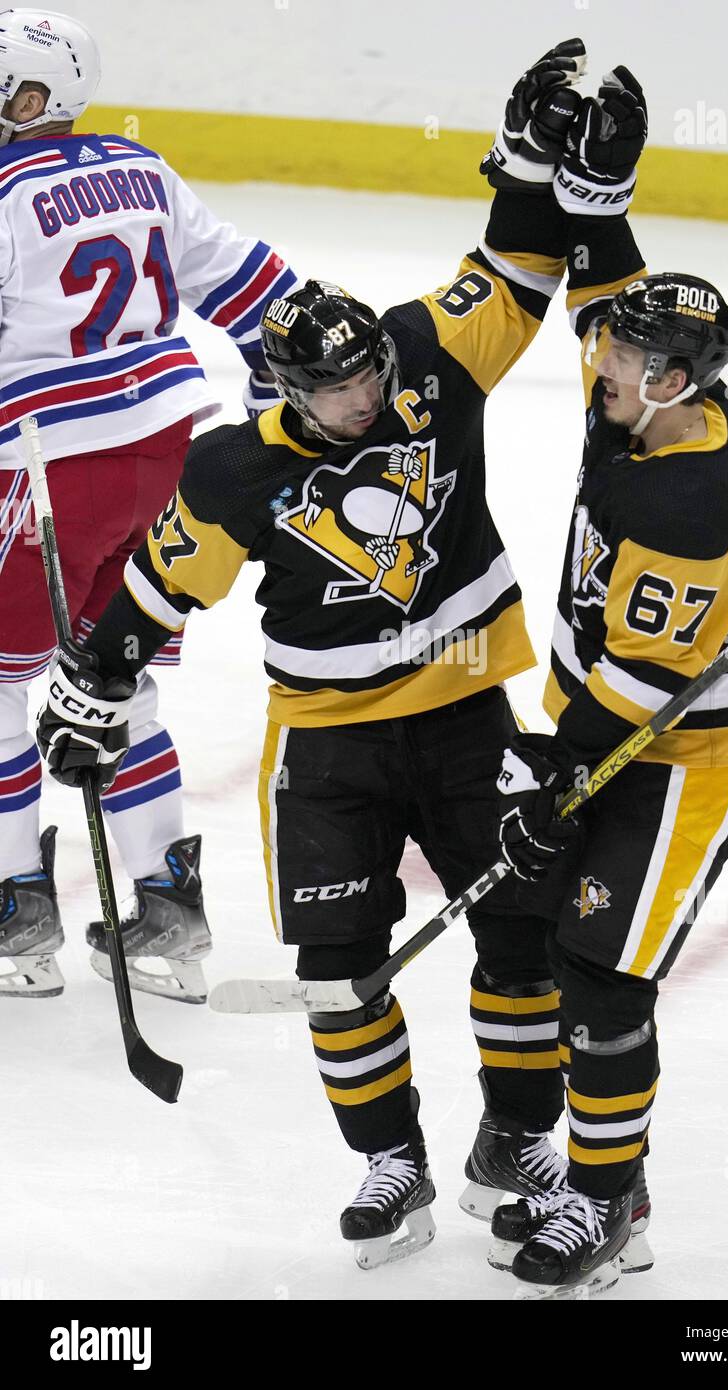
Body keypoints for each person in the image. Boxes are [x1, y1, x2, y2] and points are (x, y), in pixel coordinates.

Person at [34, 41, 621, 1269]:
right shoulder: (235, 465)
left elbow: (509, 272)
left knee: (518, 942)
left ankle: (513, 1142)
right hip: (329, 744)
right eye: (338, 394)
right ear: (285, 387)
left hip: (468, 715)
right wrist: (93, 675)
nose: (367, 402)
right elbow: (158, 579)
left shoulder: (425, 360)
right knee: (339, 972)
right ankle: (387, 1155)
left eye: (371, 379)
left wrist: (528, 168)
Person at [488, 71, 728, 1299]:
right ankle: (564, 1162)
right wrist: (582, 193)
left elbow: (636, 680)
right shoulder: (651, 414)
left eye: (623, 353)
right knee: (544, 947)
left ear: (674, 380)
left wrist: (549, 771)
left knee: (604, 980)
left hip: (683, 760)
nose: (598, 358)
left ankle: (613, 1207)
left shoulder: (691, 503)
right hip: (609, 729)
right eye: (613, 347)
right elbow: (611, 296)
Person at [0, 9, 298, 1002]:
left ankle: (13, 907)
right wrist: (270, 431)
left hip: (50, 469)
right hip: (168, 458)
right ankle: (167, 912)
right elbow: (266, 295)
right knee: (111, 677)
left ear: (35, 99)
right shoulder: (143, 169)